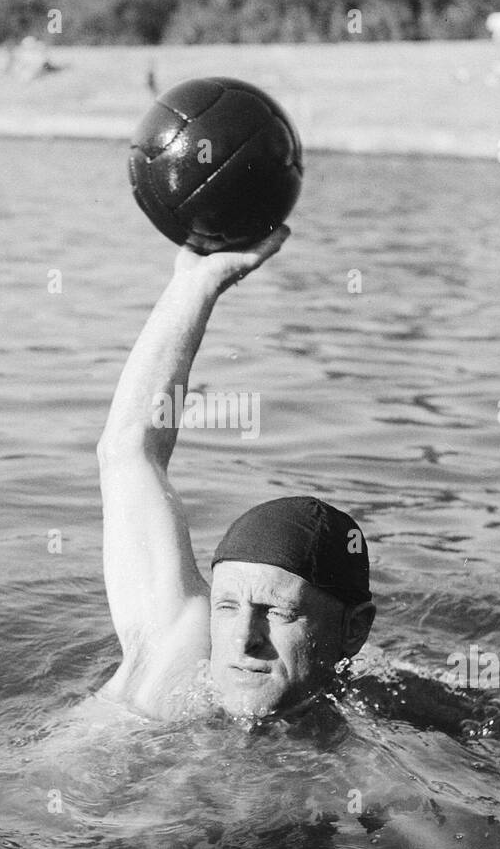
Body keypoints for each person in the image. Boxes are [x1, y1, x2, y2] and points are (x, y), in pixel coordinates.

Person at [95, 226, 375, 728]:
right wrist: (197, 285)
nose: (245, 637)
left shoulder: (366, 753)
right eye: (225, 606)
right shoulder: (170, 653)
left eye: (278, 611)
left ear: (353, 631)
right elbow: (129, 449)